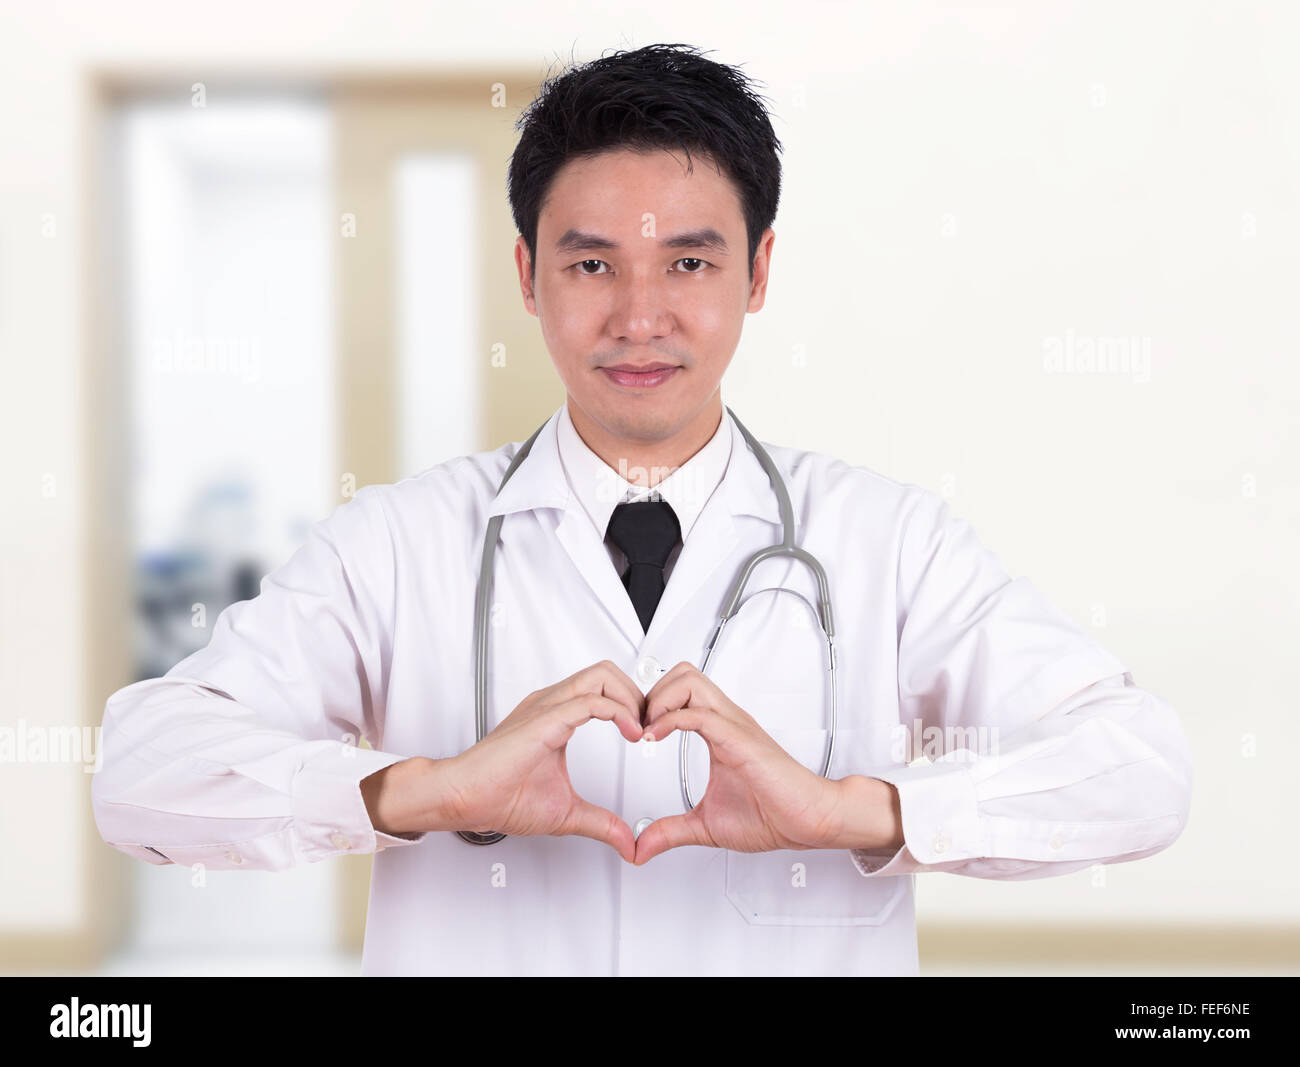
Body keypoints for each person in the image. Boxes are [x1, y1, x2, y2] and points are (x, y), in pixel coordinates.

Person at [92, 42, 1193, 976]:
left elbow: (1140, 771)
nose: (638, 315)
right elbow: (141, 774)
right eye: (590, 264)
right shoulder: (396, 541)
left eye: (689, 260)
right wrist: (415, 788)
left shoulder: (887, 542)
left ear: (758, 272)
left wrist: (854, 811)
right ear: (527, 275)